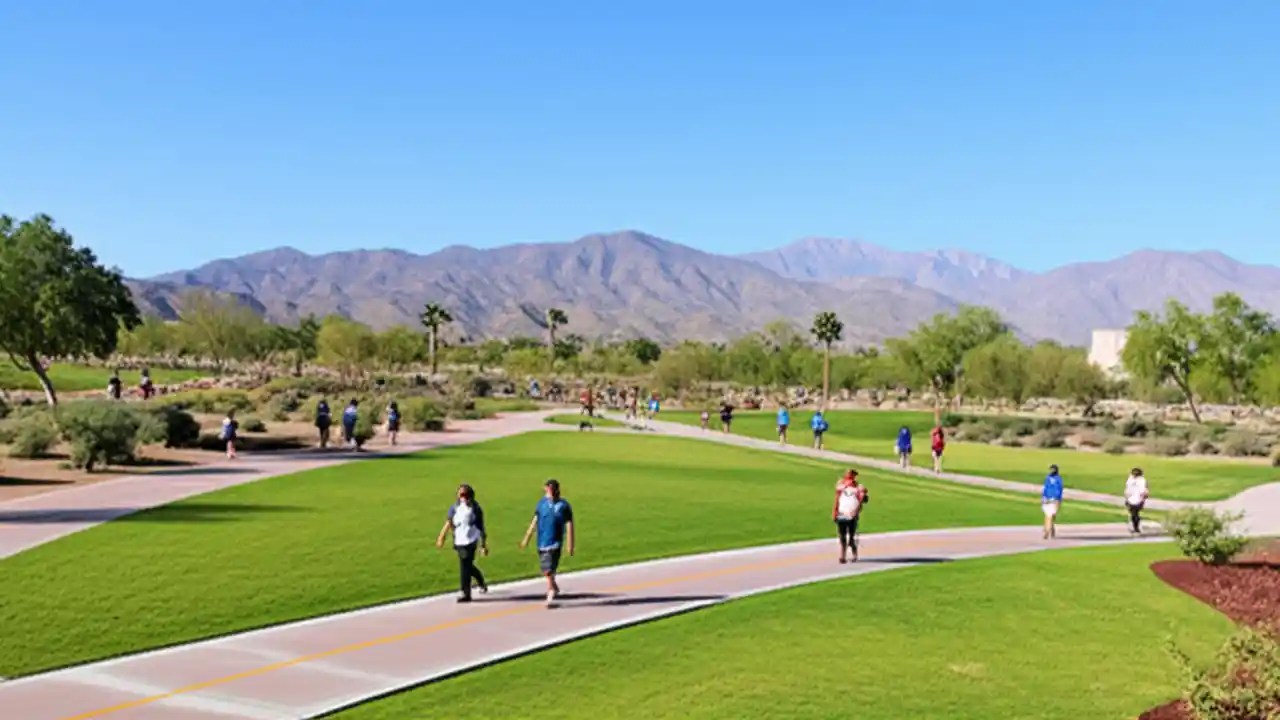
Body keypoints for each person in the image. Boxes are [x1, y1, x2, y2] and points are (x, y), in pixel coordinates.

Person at [520, 479, 575, 608]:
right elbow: (535, 520)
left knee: (548, 569)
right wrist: (527, 537)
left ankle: (550, 594)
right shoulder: (542, 504)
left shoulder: (564, 506)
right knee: (546, 570)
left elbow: (569, 525)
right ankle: (554, 586)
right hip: (542, 541)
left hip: (555, 542)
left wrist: (570, 544)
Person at [437, 484, 489, 603]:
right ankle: (480, 580)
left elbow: (481, 528)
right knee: (468, 565)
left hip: (471, 540)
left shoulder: (475, 509)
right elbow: (449, 522)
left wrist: (483, 545)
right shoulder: (455, 507)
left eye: (465, 495)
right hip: (459, 540)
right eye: (461, 495)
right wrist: (442, 536)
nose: (463, 497)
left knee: (464, 565)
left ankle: (465, 592)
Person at [832, 470, 869, 563]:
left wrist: (856, 511)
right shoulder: (841, 487)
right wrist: (835, 512)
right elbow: (837, 500)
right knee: (842, 536)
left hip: (852, 515)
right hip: (842, 514)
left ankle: (854, 554)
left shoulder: (858, 488)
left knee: (851, 537)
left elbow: (863, 501)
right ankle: (842, 556)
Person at [1041, 464, 1065, 540]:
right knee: (1048, 515)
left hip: (1054, 499)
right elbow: (1045, 488)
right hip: (1047, 498)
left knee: (1051, 516)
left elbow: (1060, 490)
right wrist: (1043, 497)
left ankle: (1049, 528)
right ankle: (1047, 531)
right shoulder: (1047, 478)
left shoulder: (1058, 479)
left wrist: (1058, 499)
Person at [1124, 468, 1149, 535]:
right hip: (1137, 500)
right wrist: (1144, 498)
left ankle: (1135, 527)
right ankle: (1136, 527)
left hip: (1133, 500)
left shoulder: (1131, 480)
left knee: (1134, 514)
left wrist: (1126, 499)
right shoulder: (1141, 480)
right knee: (1135, 514)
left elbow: (1127, 491)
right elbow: (1145, 491)